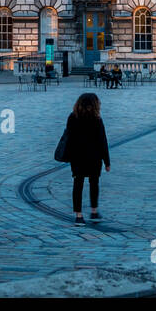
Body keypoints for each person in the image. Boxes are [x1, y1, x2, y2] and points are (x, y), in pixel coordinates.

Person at [62, 92, 110, 225]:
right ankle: (94, 211)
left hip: (77, 157)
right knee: (94, 184)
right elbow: (103, 141)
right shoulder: (97, 119)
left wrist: (69, 155)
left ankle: (78, 215)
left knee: (78, 184)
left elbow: (69, 138)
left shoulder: (72, 117)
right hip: (94, 157)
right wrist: (107, 161)